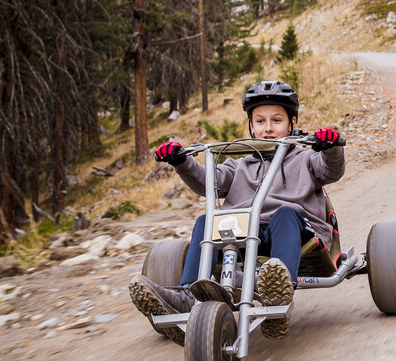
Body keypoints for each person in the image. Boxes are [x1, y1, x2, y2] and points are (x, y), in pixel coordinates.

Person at [127, 80, 344, 343]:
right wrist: (181, 161)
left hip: (293, 233)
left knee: (285, 213)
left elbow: (331, 169)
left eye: (277, 120)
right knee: (207, 220)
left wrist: (330, 147)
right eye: (260, 121)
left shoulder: (305, 159)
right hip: (244, 232)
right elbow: (207, 181)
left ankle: (278, 292)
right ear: (251, 126)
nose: (268, 129)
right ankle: (187, 296)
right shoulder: (239, 165)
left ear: (292, 122)